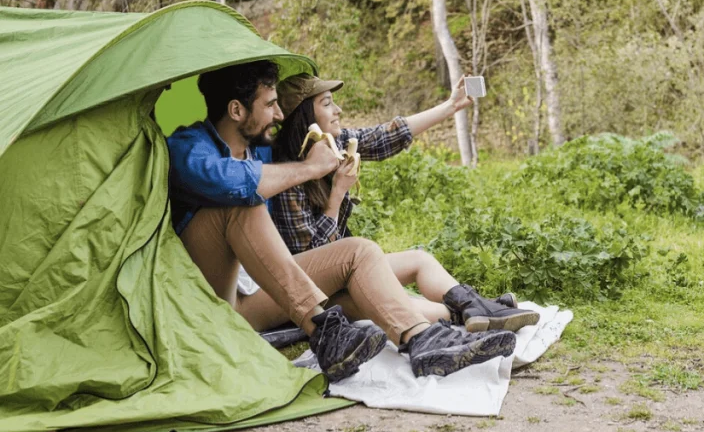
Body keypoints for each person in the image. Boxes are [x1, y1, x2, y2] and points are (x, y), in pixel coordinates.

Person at [166, 60, 516, 381]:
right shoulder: (188, 147)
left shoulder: (264, 148)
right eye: (270, 105)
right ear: (236, 109)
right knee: (243, 199)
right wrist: (310, 170)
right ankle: (324, 330)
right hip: (218, 300)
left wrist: (449, 107)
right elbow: (237, 183)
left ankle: (426, 339)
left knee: (359, 253)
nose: (278, 113)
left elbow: (372, 138)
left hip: (265, 292)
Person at [269, 73, 540, 333]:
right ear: (305, 117)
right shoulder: (289, 176)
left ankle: (476, 306)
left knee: (419, 260)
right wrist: (338, 193)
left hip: (348, 272)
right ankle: (481, 310)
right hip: (316, 293)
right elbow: (313, 260)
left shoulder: (333, 144)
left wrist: (451, 106)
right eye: (327, 104)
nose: (338, 109)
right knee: (402, 304)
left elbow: (387, 135)